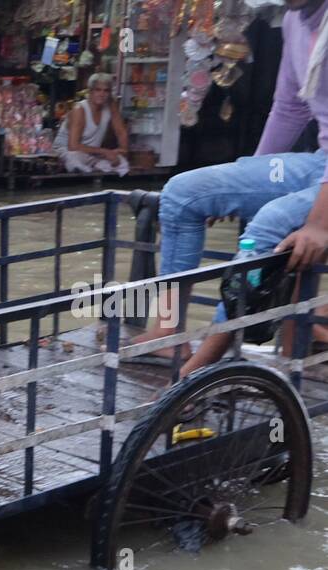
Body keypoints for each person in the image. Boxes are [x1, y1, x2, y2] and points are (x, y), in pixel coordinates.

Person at [134, 0, 328, 373]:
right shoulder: (292, 21)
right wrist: (244, 186)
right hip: (320, 161)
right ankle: (167, 333)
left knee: (270, 221)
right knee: (183, 193)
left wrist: (319, 225)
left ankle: (202, 366)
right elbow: (290, 108)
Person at [52, 74, 129, 176]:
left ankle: (95, 168)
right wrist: (105, 152)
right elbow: (73, 146)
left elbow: (121, 131)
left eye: (106, 91)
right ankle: (92, 170)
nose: (102, 94)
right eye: (98, 90)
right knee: (74, 158)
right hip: (69, 151)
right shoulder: (79, 110)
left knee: (121, 162)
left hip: (93, 153)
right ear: (90, 91)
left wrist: (122, 150)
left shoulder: (111, 105)